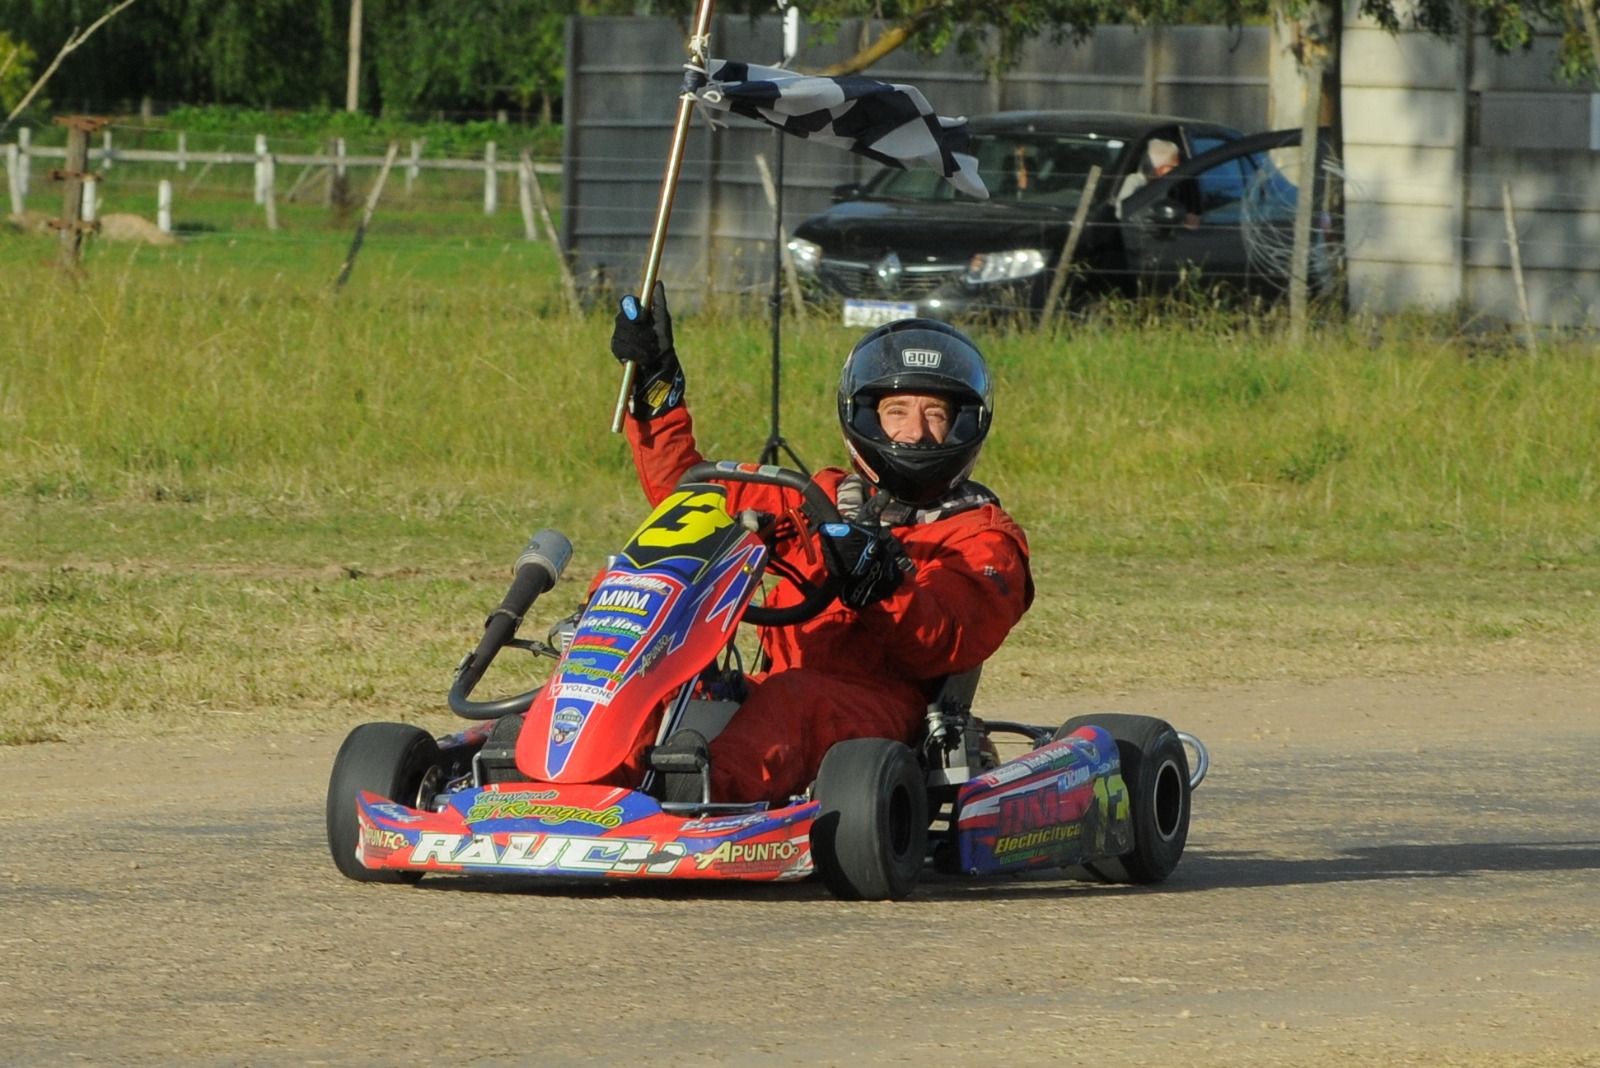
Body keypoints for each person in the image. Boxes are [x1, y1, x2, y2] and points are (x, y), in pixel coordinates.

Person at [608, 284, 1034, 804]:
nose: (915, 433)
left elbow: (944, 640)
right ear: (866, 417)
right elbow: (686, 494)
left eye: (935, 415)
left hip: (884, 712)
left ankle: (692, 800)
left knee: (797, 699)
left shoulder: (981, 537)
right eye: (897, 411)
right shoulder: (817, 498)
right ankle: (575, 777)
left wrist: (882, 586)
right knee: (660, 666)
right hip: (771, 694)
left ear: (963, 425)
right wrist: (655, 390)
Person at [1115, 137, 1181, 219]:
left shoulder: (1162, 187)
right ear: (1153, 167)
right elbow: (1120, 212)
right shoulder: (1134, 181)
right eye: (1169, 169)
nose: (1173, 173)